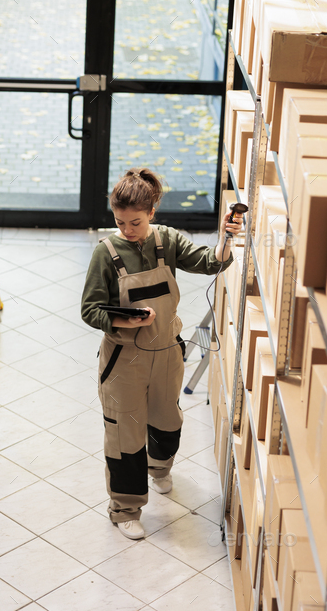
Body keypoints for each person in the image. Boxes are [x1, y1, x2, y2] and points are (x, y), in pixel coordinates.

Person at [81, 168, 242, 540]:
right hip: (125, 361)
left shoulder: (166, 241)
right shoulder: (105, 254)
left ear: (151, 213)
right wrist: (125, 322)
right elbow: (90, 310)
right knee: (126, 436)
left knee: (168, 421)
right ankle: (125, 508)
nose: (127, 230)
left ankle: (160, 468)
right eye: (120, 221)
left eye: (135, 222)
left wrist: (224, 242)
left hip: (168, 352)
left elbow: (207, 262)